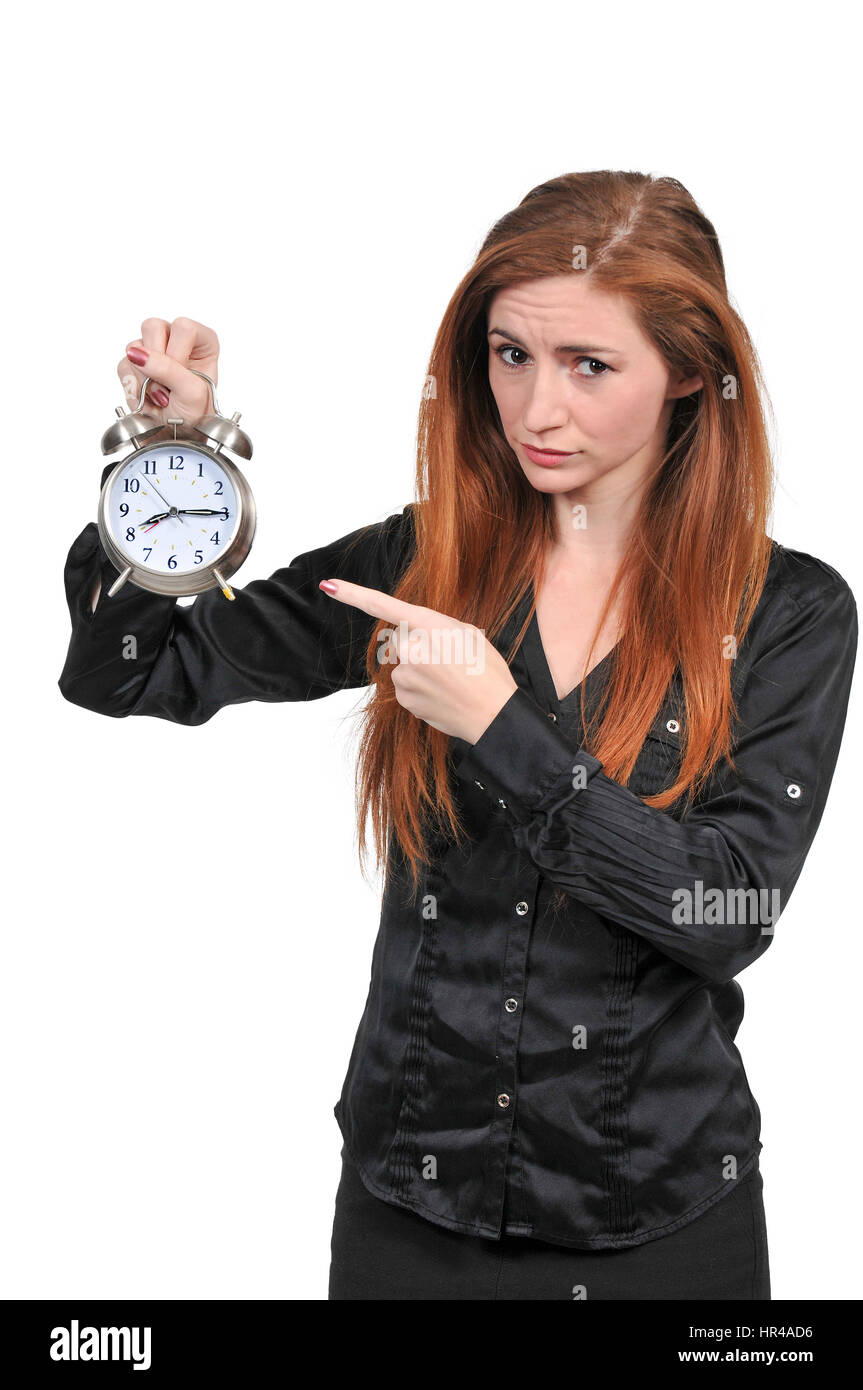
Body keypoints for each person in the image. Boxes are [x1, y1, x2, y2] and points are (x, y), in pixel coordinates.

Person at [58, 170, 857, 1301]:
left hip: (662, 1231)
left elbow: (721, 909)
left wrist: (499, 724)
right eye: (507, 354)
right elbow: (133, 671)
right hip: (409, 1222)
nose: (535, 409)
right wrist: (164, 454)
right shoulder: (419, 568)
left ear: (686, 371)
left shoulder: (788, 613)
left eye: (589, 365)